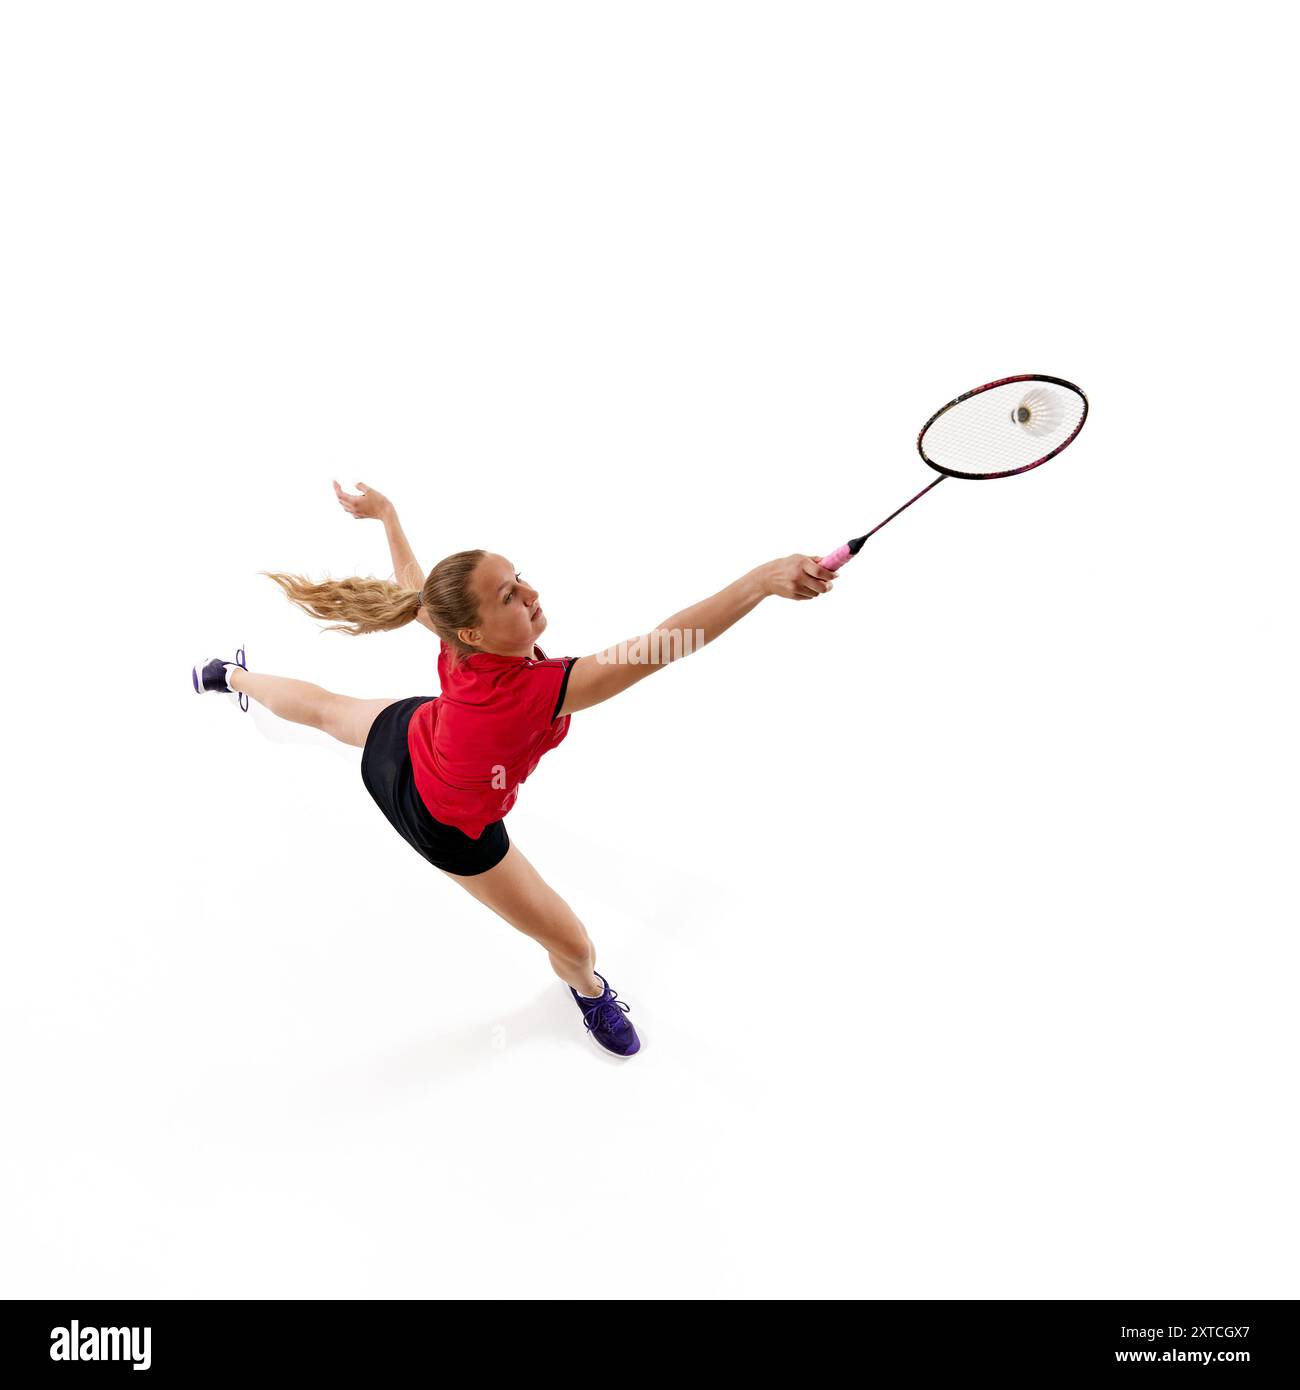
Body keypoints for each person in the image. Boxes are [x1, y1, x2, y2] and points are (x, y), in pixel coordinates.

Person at [193, 481, 837, 1056]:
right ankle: (588, 990)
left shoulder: (454, 634)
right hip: (446, 826)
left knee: (330, 712)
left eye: (520, 579)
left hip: (410, 739)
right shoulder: (535, 689)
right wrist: (759, 582)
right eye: (509, 595)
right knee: (576, 945)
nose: (531, 594)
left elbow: (418, 588)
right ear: (471, 633)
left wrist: (388, 514)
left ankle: (230, 675)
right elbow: (665, 645)